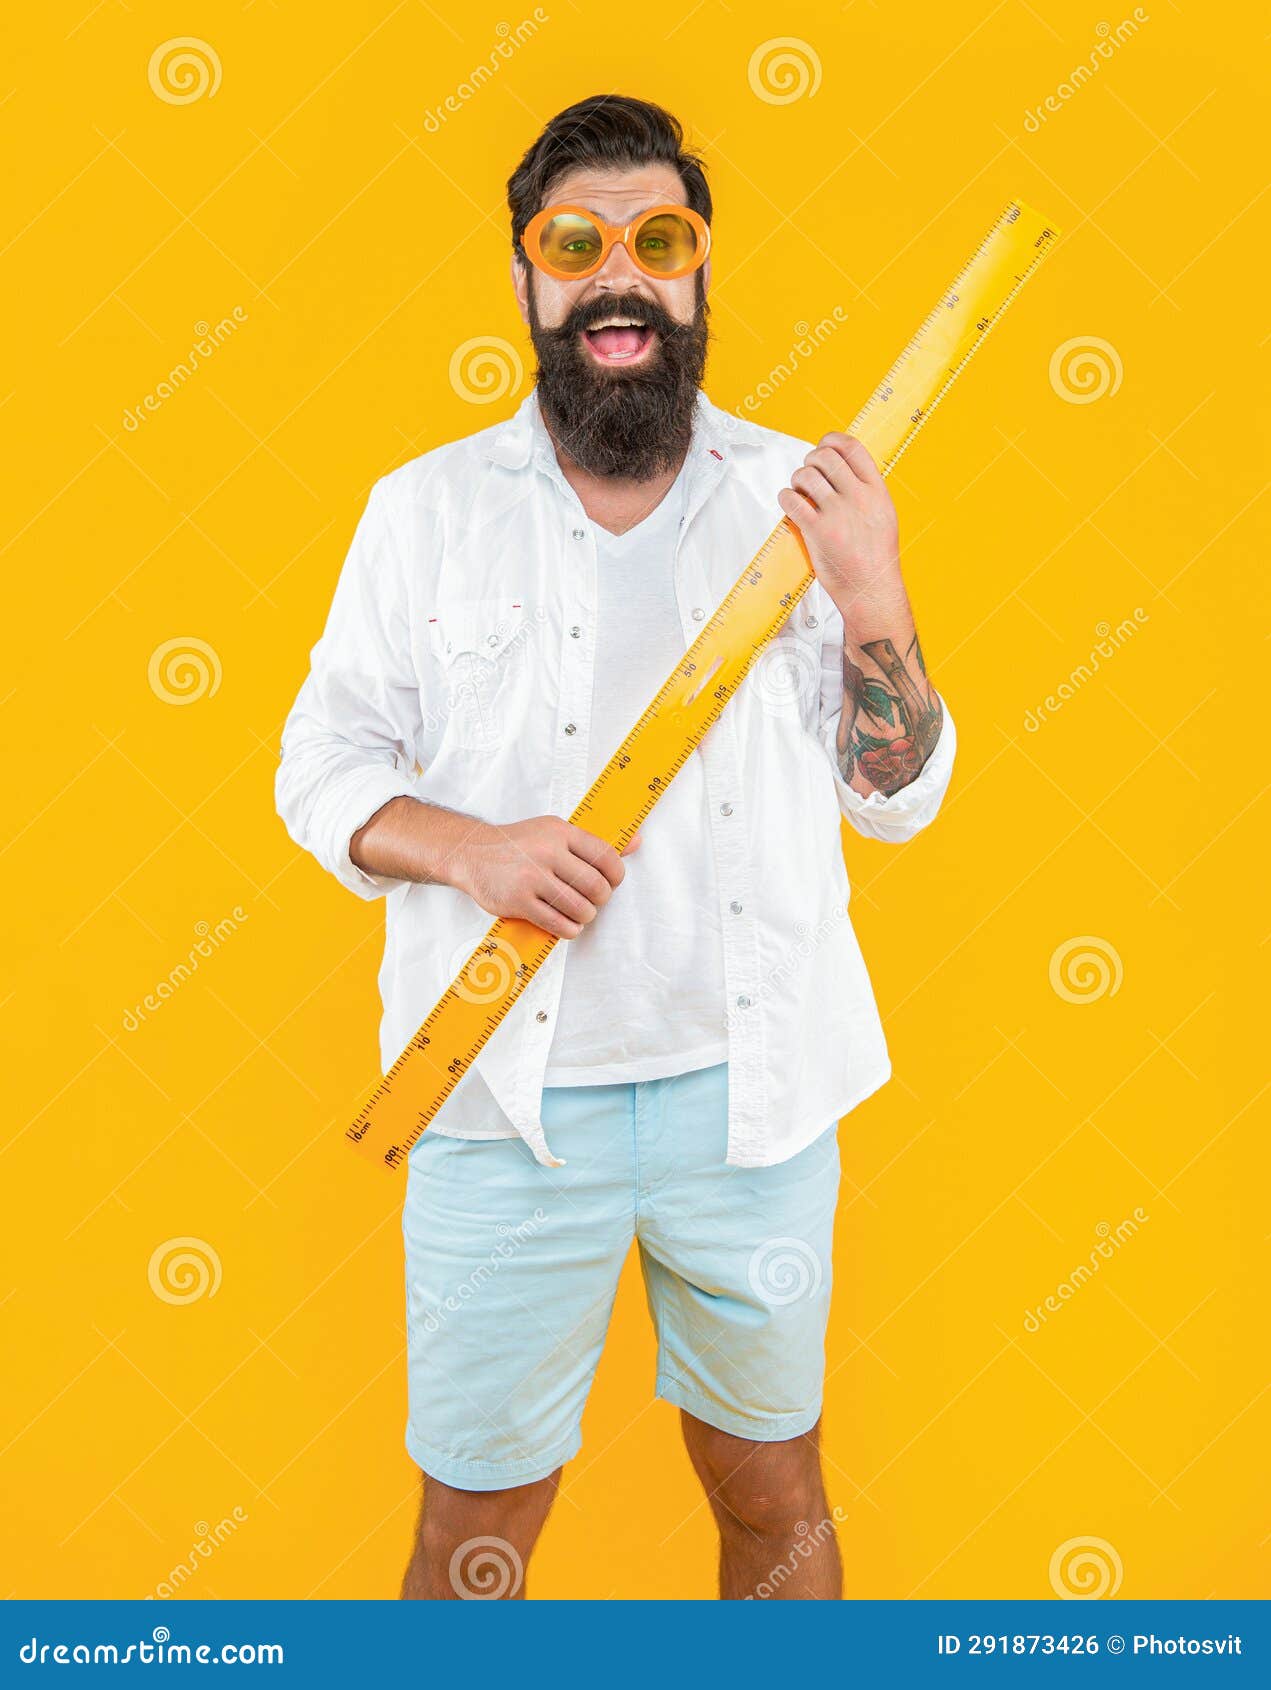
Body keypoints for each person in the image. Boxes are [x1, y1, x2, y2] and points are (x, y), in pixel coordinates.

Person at [276, 94, 955, 1601]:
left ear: (702, 272)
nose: (618, 274)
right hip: (499, 1107)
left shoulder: (803, 502)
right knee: (473, 1536)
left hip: (754, 1108)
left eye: (661, 238)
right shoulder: (426, 513)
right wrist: (470, 850)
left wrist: (873, 595)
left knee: (778, 1499)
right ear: (526, 277)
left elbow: (896, 795)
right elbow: (317, 765)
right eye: (574, 243)